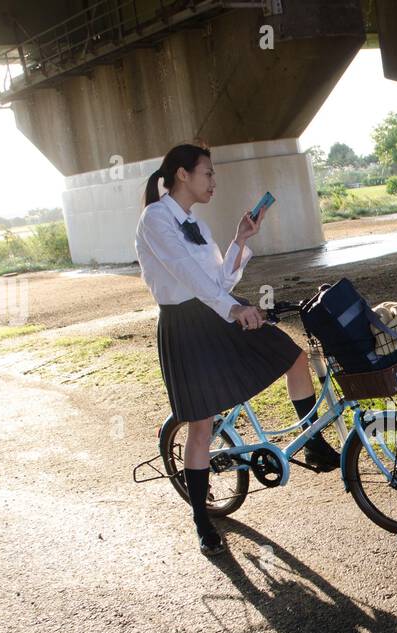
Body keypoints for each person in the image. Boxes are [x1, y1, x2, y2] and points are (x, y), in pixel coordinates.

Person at [135, 142, 338, 556]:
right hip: (186, 325)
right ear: (181, 175)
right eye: (207, 173)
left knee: (293, 356)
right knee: (201, 425)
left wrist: (240, 240)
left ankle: (312, 444)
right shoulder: (155, 219)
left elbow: (218, 281)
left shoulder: (198, 224)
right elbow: (188, 276)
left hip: (217, 310)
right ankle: (201, 518)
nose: (214, 181)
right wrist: (234, 310)